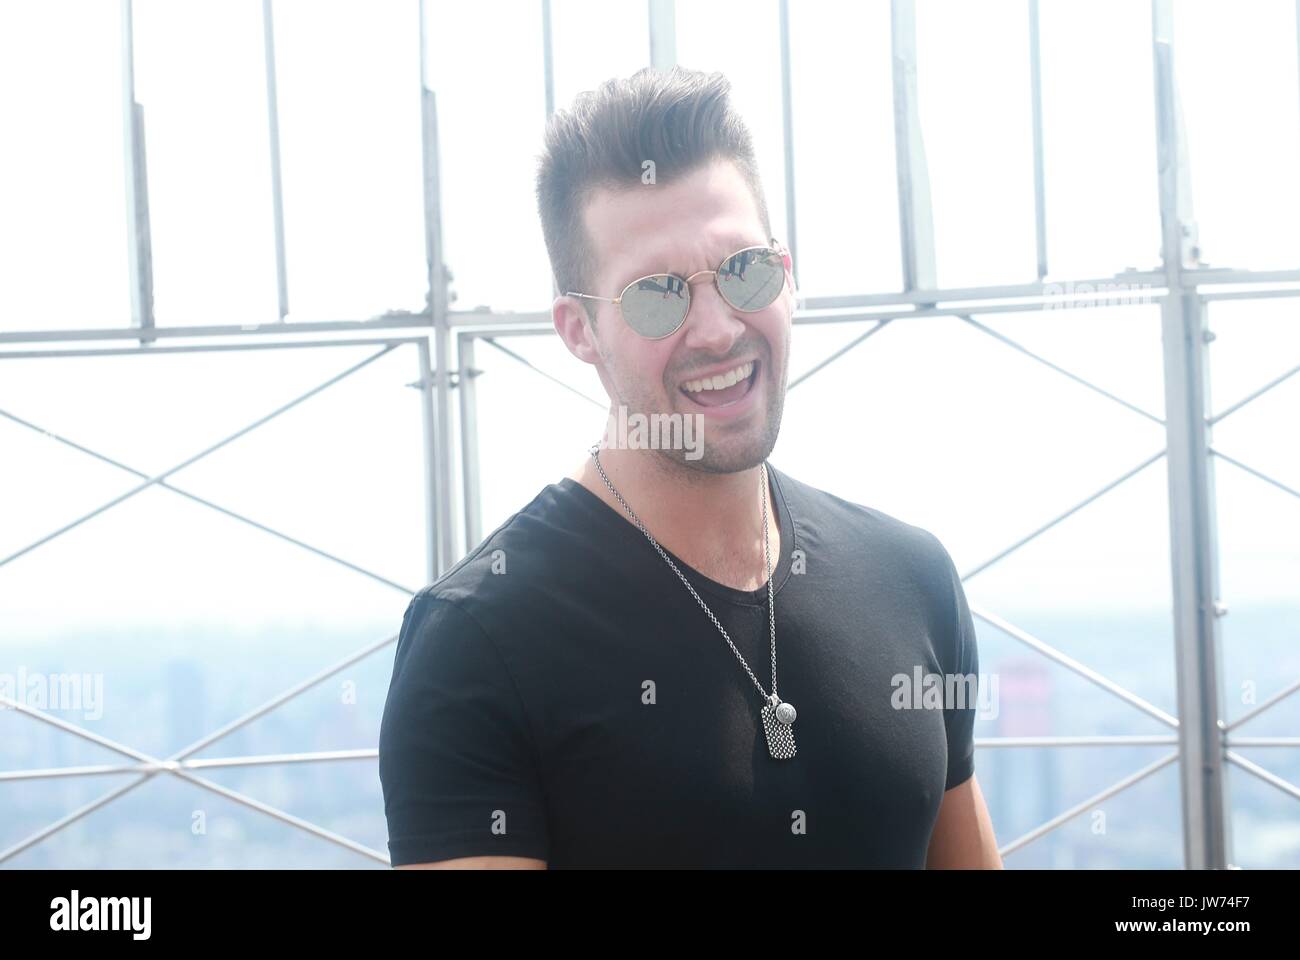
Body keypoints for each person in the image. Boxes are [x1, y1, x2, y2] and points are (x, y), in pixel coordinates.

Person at [378, 65, 1002, 869]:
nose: (715, 329)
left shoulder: (912, 578)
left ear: (787, 272)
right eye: (657, 295)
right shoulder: (477, 643)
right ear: (577, 330)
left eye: (745, 271)